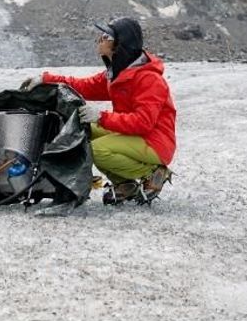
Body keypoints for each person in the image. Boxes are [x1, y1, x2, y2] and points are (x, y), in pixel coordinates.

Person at [22, 17, 177, 204]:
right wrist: (46, 79)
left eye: (106, 36)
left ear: (120, 44)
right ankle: (125, 185)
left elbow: (143, 123)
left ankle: (153, 173)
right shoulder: (117, 72)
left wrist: (101, 117)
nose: (100, 39)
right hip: (135, 136)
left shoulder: (148, 79)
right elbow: (83, 86)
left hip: (154, 141)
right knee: (83, 130)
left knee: (97, 150)